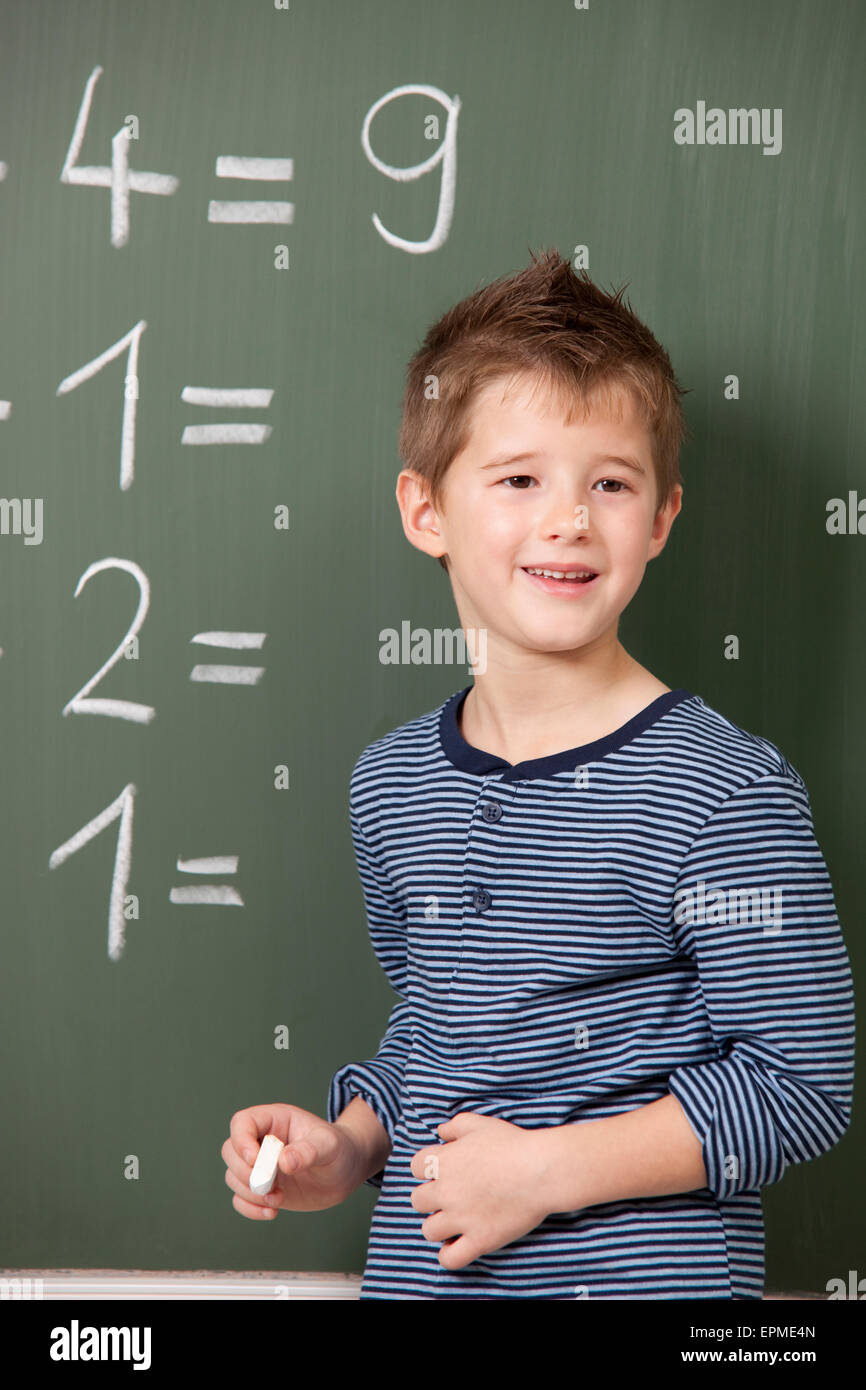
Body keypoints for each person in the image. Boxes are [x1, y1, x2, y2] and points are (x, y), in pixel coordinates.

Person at [221, 249, 855, 1298]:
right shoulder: (389, 785)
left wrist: (544, 1173)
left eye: (608, 483)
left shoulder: (723, 788)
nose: (566, 518)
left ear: (657, 519)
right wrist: (349, 1146)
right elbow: (439, 1030)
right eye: (517, 480)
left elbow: (795, 1085)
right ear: (425, 510)